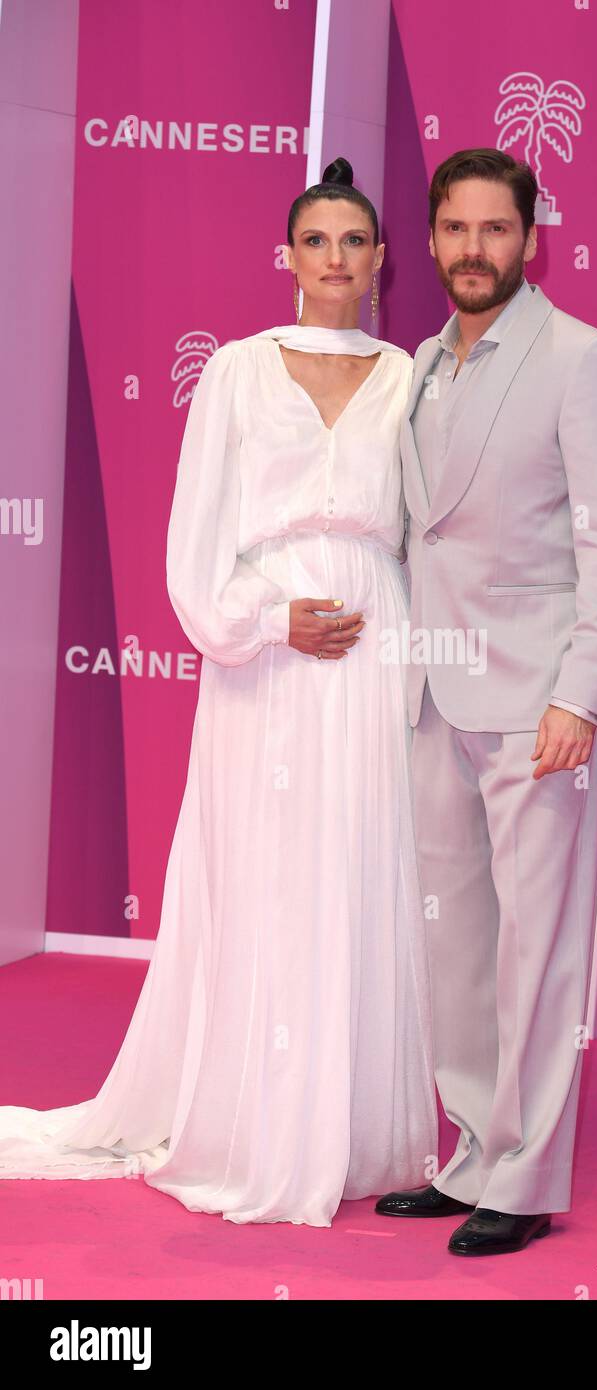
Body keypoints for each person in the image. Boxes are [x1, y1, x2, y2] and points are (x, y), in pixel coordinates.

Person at [0, 157, 438, 1227]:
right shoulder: (237, 372)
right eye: (316, 240)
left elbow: (432, 530)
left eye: (353, 242)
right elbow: (195, 535)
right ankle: (252, 1121)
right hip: (268, 660)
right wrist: (262, 620)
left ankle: (356, 1129)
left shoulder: (410, 375)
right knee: (268, 870)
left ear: (381, 260)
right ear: (286, 255)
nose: (335, 259)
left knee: (363, 868)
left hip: (376, 648)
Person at [375, 149, 597, 1256]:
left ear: (530, 240)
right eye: (455, 230)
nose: (473, 250)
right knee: (456, 942)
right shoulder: (420, 364)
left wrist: (581, 694)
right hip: (432, 691)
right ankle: (474, 1151)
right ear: (432, 240)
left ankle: (526, 1177)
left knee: (534, 946)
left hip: (537, 698)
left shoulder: (585, 361)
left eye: (496, 230)